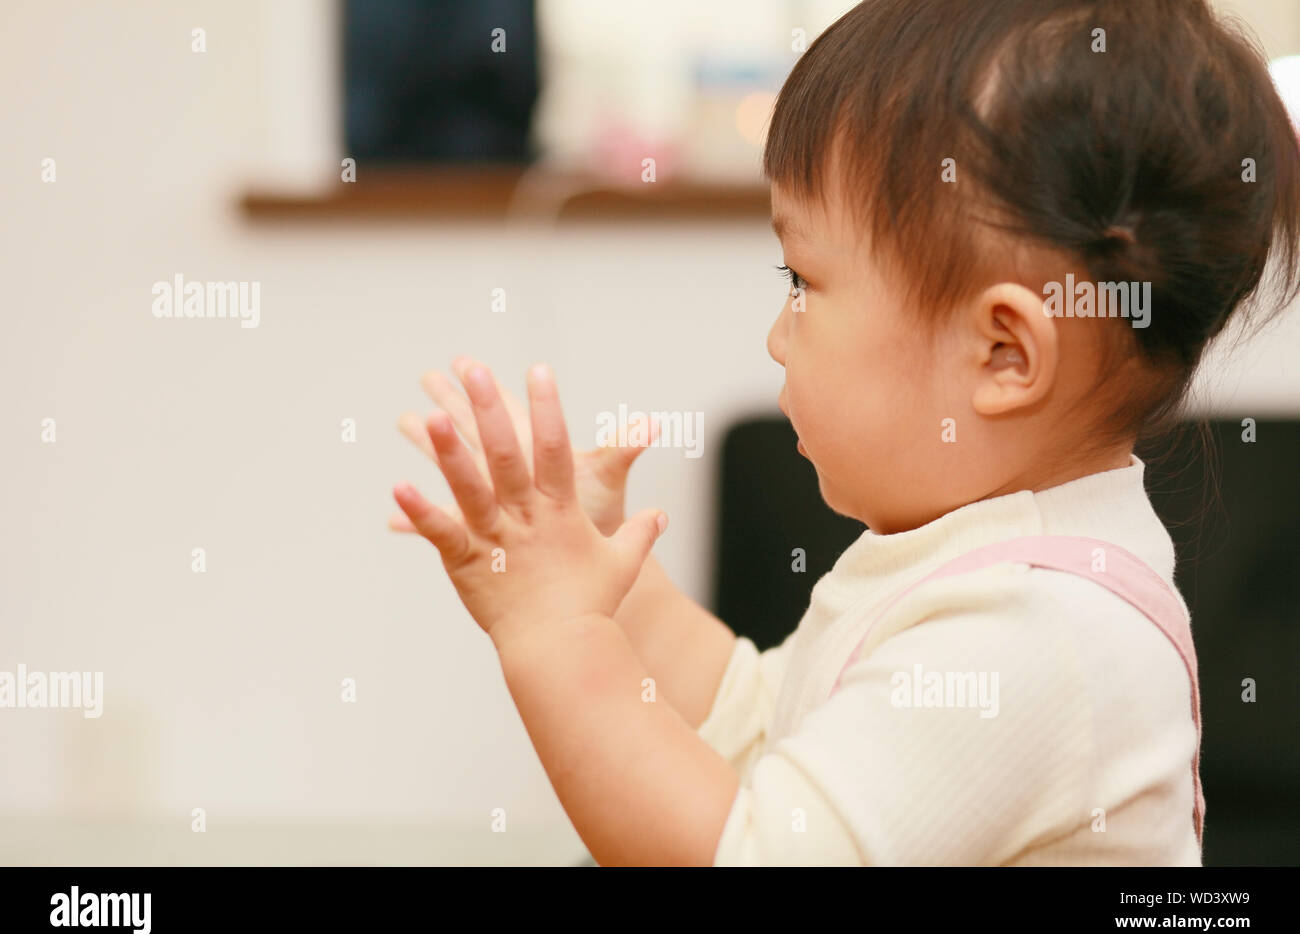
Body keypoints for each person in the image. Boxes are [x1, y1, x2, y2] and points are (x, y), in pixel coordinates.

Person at [389, 0, 1299, 865]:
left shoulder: (1035, 631)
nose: (777, 334)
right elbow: (757, 724)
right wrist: (608, 585)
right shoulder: (975, 569)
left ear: (1003, 354)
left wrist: (554, 634)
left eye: (802, 280)